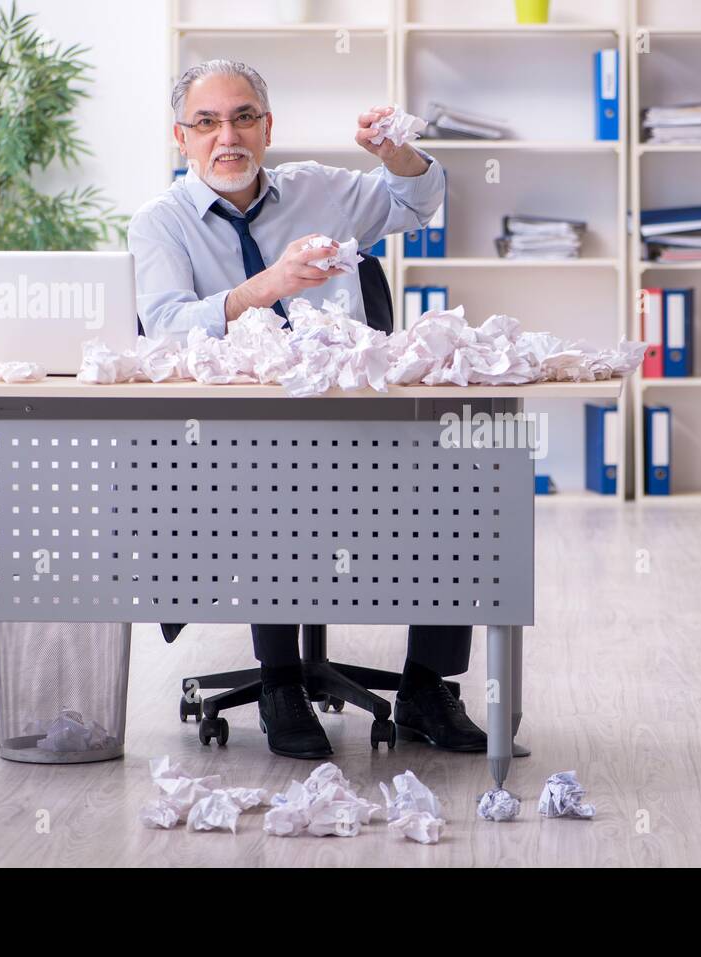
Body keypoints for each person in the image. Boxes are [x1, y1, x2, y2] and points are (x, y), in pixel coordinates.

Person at [128, 59, 485, 759]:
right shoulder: (159, 225)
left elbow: (416, 203)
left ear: (267, 127)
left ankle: (425, 686)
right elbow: (166, 326)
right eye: (206, 122)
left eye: (242, 118)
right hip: (229, 444)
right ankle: (280, 680)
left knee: (463, 476)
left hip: (351, 426)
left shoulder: (319, 190)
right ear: (181, 137)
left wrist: (397, 154)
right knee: (274, 473)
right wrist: (268, 284)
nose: (226, 136)